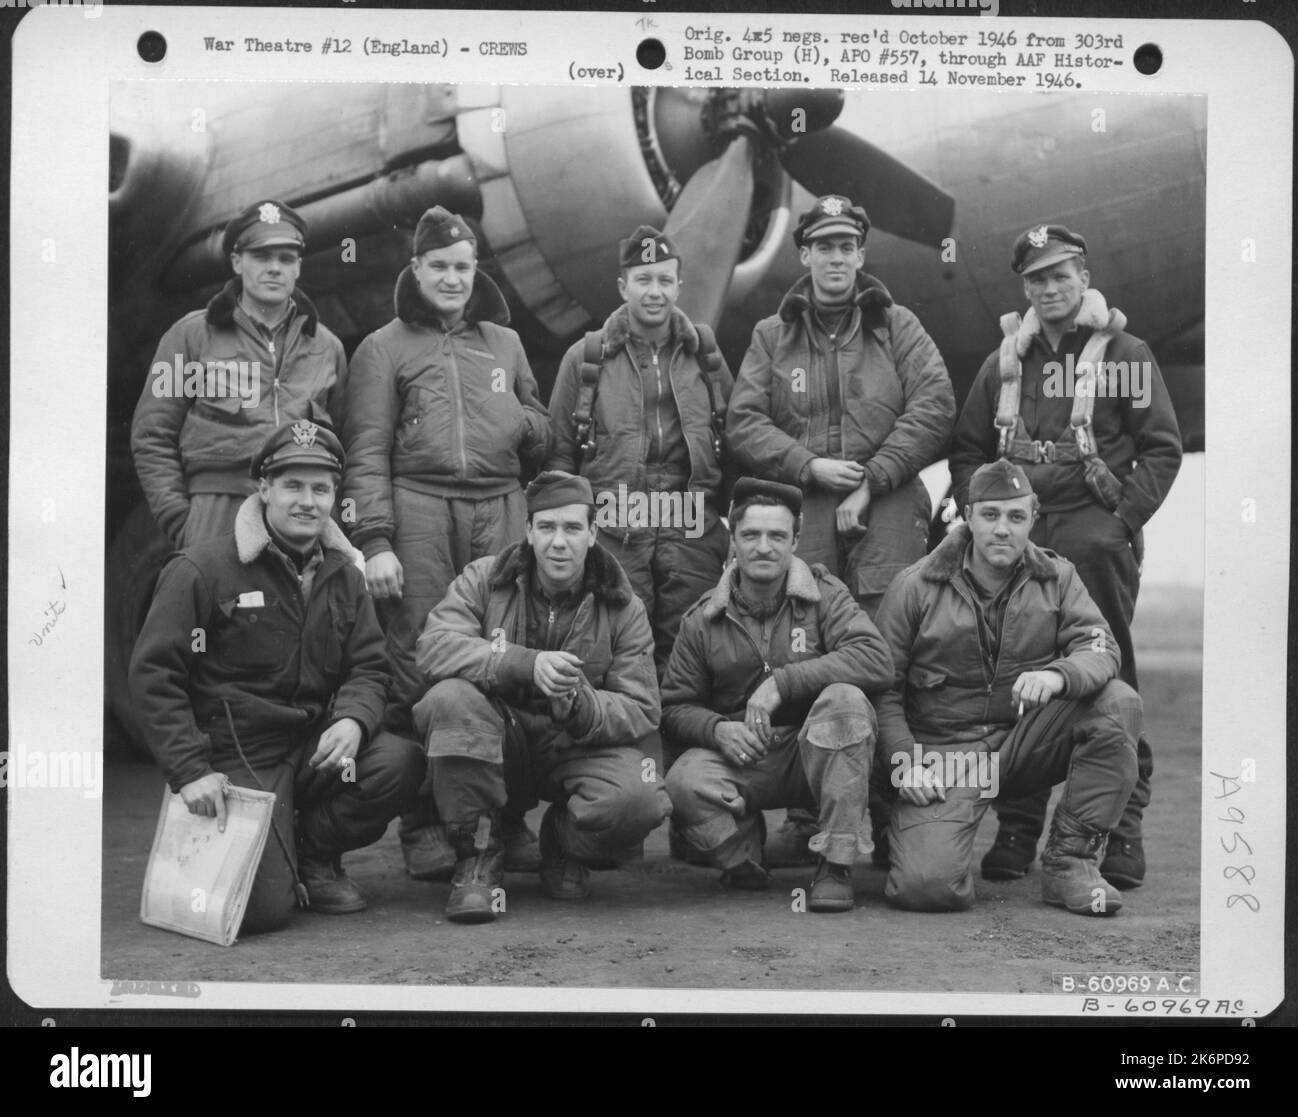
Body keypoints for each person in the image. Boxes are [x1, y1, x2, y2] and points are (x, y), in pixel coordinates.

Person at [948, 225, 1182, 890]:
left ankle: (1121, 827)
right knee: (1020, 674)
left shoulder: (1124, 353)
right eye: (1037, 279)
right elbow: (967, 448)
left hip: (1090, 538)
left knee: (1107, 680)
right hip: (1017, 544)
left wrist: (1120, 522)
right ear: (1024, 288)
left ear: (1083, 276)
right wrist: (987, 516)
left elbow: (1161, 447)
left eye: (1061, 275)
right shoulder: (1003, 362)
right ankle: (1019, 825)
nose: (1050, 289)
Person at [726, 193, 955, 866]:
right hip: (805, 508)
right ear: (805, 255)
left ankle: (887, 807)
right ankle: (810, 808)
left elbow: (934, 402)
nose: (834, 258)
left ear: (862, 253)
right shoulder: (773, 335)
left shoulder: (898, 326)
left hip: (883, 505)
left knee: (888, 647)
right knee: (802, 645)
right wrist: (808, 465)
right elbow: (743, 420)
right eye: (822, 246)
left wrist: (873, 478)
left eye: (845, 246)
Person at [129, 420, 425, 933]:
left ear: (335, 496)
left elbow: (370, 667)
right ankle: (278, 852)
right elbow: (155, 674)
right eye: (292, 485)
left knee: (397, 761)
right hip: (241, 752)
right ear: (263, 489)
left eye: (320, 488)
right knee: (259, 912)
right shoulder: (202, 570)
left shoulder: (345, 575)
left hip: (312, 747)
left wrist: (354, 720)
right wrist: (190, 769)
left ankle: (310, 849)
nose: (307, 501)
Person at [341, 206, 551, 884]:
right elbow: (366, 451)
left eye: (463, 266)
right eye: (440, 267)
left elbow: (542, 429)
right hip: (418, 509)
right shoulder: (383, 348)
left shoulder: (506, 344)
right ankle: (425, 821)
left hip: (502, 506)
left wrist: (522, 419)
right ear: (417, 270)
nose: (453, 278)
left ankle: (505, 814)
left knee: (506, 650)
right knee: (418, 660)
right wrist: (374, 540)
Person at [873, 459, 1142, 915]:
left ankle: (1069, 863)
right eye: (991, 515)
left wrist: (1058, 674)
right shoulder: (915, 586)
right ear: (967, 515)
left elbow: (1101, 648)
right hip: (944, 757)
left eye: (1016, 517)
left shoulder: (1058, 579)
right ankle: (898, 827)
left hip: (1021, 745)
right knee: (927, 888)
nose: (1003, 530)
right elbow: (880, 687)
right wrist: (904, 760)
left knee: (1118, 703)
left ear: (1033, 518)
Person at [410, 471, 670, 924]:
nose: (558, 542)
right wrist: (521, 663)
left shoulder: (623, 605)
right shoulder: (483, 578)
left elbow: (642, 706)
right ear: (528, 532)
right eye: (546, 527)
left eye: (572, 528)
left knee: (643, 797)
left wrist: (582, 704)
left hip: (572, 745)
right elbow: (434, 647)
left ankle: (562, 842)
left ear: (593, 533)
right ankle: (478, 856)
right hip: (497, 736)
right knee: (450, 700)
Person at [661, 478, 894, 912]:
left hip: (823, 752)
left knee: (845, 701)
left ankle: (835, 864)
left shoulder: (826, 596)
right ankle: (743, 854)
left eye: (777, 536)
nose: (763, 547)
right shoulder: (703, 618)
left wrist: (782, 683)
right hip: (749, 756)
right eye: (750, 535)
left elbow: (875, 659)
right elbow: (674, 707)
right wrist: (717, 730)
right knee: (683, 782)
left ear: (797, 539)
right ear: (733, 539)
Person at [546, 224, 733, 678]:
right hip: (616, 524)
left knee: (694, 650)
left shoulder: (706, 357)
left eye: (665, 280)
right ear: (622, 286)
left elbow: (734, 446)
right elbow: (558, 459)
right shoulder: (585, 358)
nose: (655, 292)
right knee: (616, 651)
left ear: (679, 286)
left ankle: (682, 742)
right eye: (644, 280)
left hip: (690, 525)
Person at [132, 200, 348, 549]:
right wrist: (181, 520)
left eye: (286, 259)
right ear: (237, 262)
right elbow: (152, 434)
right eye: (261, 257)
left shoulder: (327, 347)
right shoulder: (191, 336)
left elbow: (345, 446)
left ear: (298, 267)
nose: (274, 268)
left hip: (300, 516)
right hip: (217, 512)